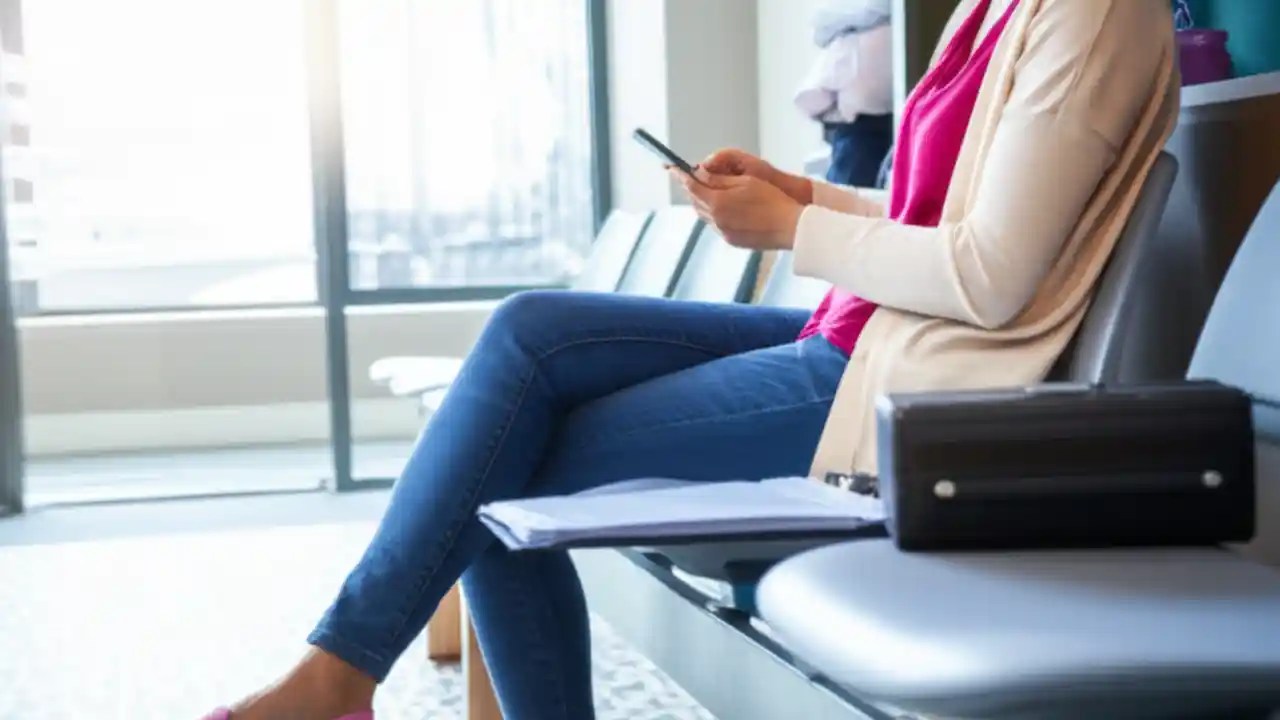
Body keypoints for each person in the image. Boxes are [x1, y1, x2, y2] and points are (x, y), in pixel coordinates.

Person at [207, 1, 1178, 718]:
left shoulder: (1094, 15)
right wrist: (796, 190)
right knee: (527, 329)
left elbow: (993, 273)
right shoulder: (992, 8)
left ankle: (337, 676)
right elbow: (939, 217)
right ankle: (339, 673)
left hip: (907, 389)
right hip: (860, 335)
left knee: (502, 470)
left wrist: (792, 224)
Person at [794, 0, 895, 187]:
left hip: (866, 126)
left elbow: (810, 99)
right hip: (867, 122)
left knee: (849, 197)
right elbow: (820, 26)